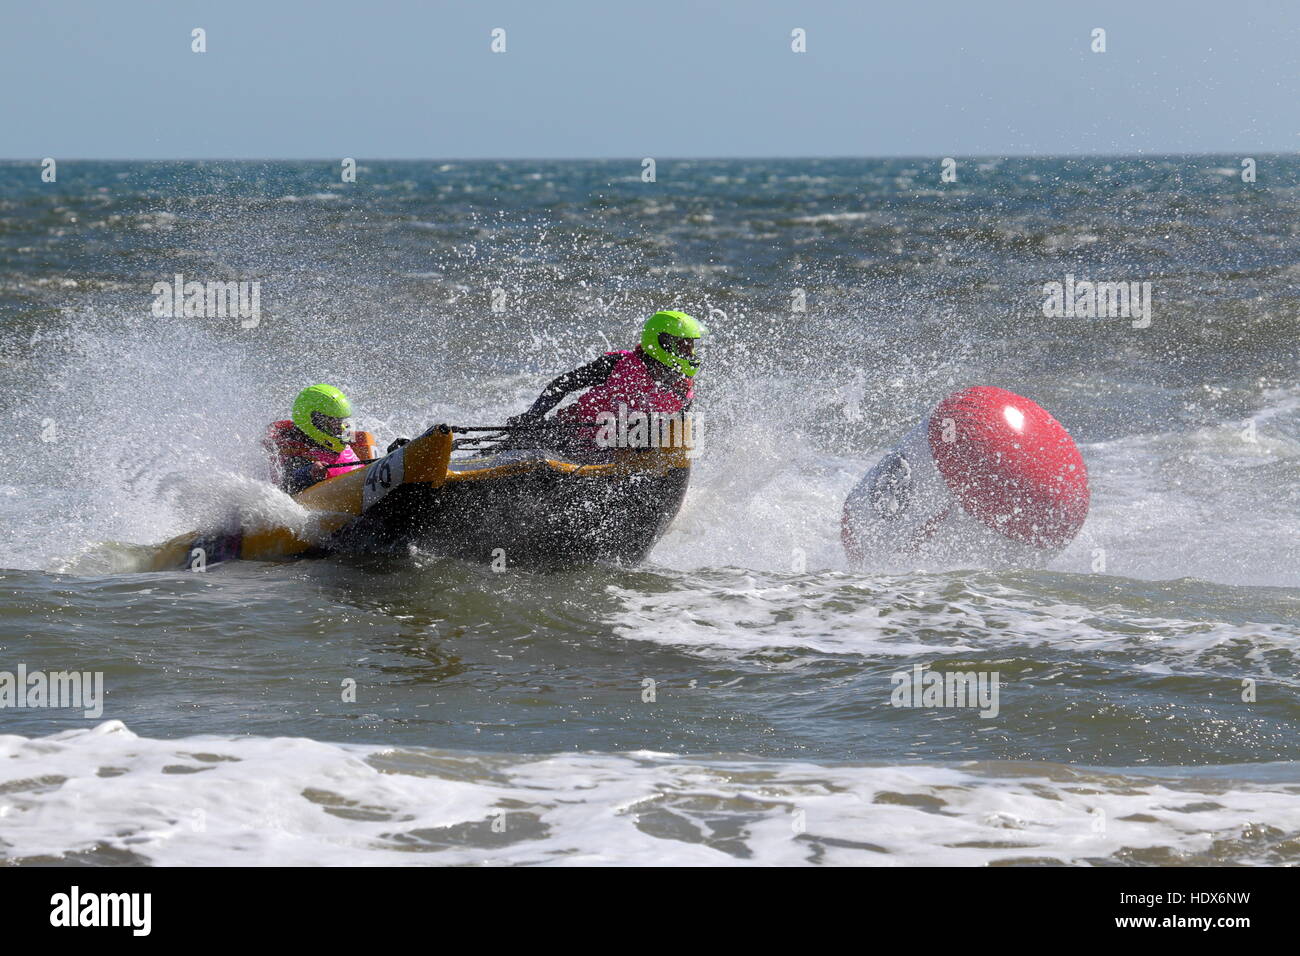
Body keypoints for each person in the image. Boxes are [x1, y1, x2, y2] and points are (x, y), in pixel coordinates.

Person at [508, 310, 707, 456]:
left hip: (616, 454)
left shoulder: (682, 389)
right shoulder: (618, 364)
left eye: (690, 347)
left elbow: (674, 433)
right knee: (515, 448)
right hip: (568, 433)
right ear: (661, 342)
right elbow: (563, 384)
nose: (689, 353)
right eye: (682, 346)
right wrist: (532, 416)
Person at [263, 384, 374, 495]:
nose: (343, 428)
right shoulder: (293, 446)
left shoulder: (340, 440)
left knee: (363, 438)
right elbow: (285, 482)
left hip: (356, 483)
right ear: (315, 421)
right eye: (334, 421)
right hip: (321, 496)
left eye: (344, 420)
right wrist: (309, 472)